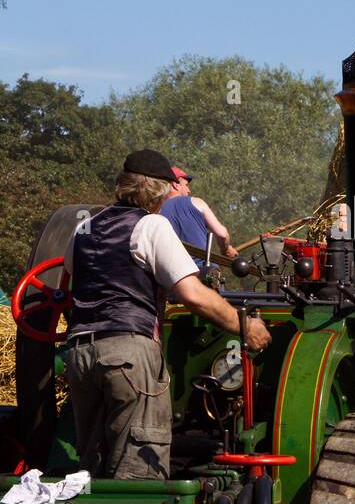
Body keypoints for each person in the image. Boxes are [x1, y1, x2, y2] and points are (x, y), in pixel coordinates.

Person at [63, 149, 271, 480]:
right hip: (129, 354)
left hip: (79, 356)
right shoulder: (151, 226)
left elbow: (69, 287)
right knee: (138, 467)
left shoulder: (85, 227)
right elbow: (192, 294)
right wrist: (245, 326)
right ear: (160, 193)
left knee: (93, 466)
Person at [160, 166, 238, 261]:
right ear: (175, 185)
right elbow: (222, 234)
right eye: (186, 185)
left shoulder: (154, 212)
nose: (189, 190)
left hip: (173, 273)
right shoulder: (196, 202)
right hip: (204, 270)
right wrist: (226, 248)